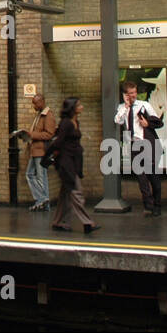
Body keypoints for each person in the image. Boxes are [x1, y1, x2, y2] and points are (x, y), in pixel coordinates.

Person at [45, 98, 99, 234]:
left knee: (65, 194)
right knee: (76, 192)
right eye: (79, 105)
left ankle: (58, 222)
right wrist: (46, 155)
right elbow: (58, 142)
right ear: (72, 108)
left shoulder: (76, 122)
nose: (81, 106)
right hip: (65, 162)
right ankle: (87, 223)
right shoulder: (66, 124)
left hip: (73, 161)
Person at [115, 80, 164, 217]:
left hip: (148, 145)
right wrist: (125, 106)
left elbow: (159, 122)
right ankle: (148, 206)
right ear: (125, 94)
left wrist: (147, 123)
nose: (133, 96)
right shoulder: (122, 108)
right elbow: (117, 121)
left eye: (134, 93)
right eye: (130, 93)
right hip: (134, 145)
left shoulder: (144, 105)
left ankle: (157, 205)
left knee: (153, 177)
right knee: (141, 179)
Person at [24, 93, 56, 212]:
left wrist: (32, 134)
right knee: (30, 174)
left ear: (42, 102)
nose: (34, 106)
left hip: (41, 151)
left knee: (41, 177)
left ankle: (43, 201)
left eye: (35, 103)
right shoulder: (39, 115)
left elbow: (49, 134)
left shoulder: (48, 115)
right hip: (34, 150)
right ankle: (41, 200)